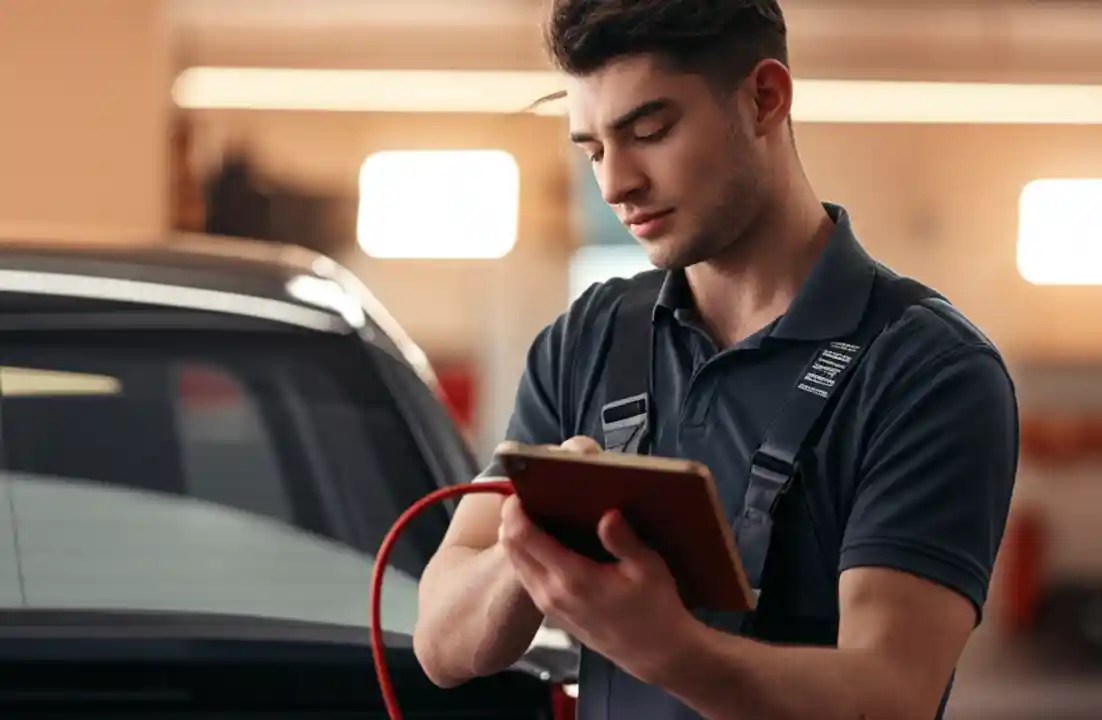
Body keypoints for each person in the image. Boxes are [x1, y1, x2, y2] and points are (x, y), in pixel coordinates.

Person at [414, 1, 1019, 718]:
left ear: (765, 98)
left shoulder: (927, 370)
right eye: (593, 150)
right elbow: (442, 645)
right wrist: (533, 544)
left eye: (649, 131)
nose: (616, 186)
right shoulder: (587, 339)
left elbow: (888, 695)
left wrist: (669, 651)